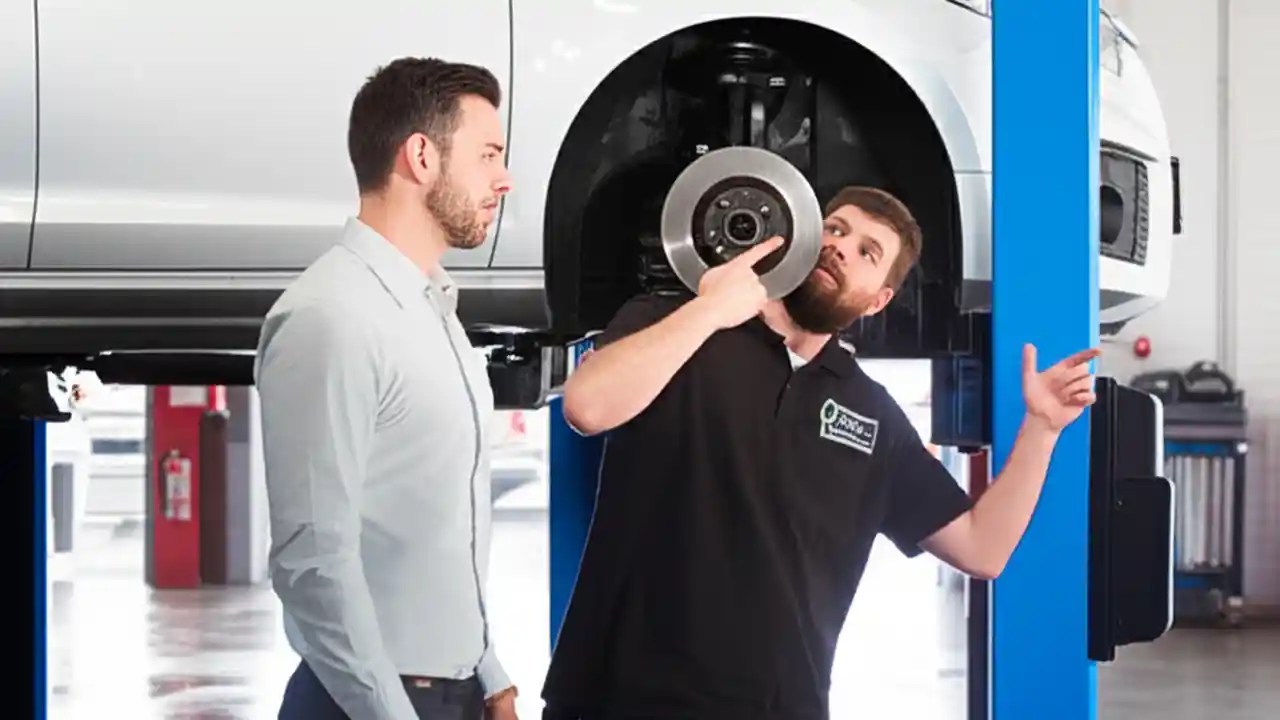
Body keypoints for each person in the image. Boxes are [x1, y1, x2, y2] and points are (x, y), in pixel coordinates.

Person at [539, 185, 1100, 720]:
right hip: (617, 700)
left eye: (866, 251)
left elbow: (983, 548)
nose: (840, 248)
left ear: (878, 300)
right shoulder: (678, 322)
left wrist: (1043, 429)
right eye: (833, 228)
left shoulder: (871, 415)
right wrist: (710, 309)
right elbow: (586, 407)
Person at [255, 57, 519, 720]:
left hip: (448, 694)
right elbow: (314, 562)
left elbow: (434, 530)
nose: (504, 179)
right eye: (488, 155)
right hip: (367, 703)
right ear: (422, 157)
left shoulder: (433, 310)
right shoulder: (332, 316)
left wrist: (490, 674)